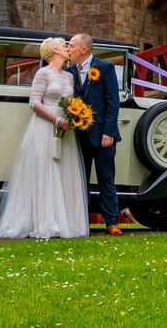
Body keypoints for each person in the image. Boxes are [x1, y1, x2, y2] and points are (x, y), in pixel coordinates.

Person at [0, 37, 88, 239]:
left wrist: (75, 116)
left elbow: (72, 101)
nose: (67, 49)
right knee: (45, 171)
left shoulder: (69, 76)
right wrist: (56, 120)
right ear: (55, 50)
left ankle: (64, 221)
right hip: (45, 127)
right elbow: (34, 103)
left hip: (65, 130)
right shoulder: (43, 73)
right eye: (64, 46)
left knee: (64, 171)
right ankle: (44, 221)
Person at [67, 33, 124, 234]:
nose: (69, 49)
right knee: (80, 179)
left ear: (84, 49)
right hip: (79, 136)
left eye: (72, 46)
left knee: (106, 179)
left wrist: (108, 132)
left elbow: (113, 101)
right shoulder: (69, 71)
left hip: (102, 136)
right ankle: (81, 221)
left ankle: (111, 222)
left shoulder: (104, 68)